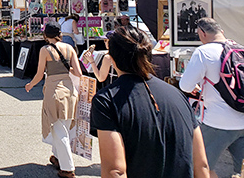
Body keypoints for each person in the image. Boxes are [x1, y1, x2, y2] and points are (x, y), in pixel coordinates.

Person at [90, 26, 209, 178]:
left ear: (112, 58)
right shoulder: (177, 95)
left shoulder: (106, 100)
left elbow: (115, 171)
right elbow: (201, 165)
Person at [180, 18, 244, 178]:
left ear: (202, 33)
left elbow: (185, 86)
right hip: (242, 119)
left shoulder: (204, 52)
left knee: (200, 166)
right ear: (221, 32)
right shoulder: (239, 49)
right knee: (239, 169)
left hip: (217, 121)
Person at [25, 22, 82, 178]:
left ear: (46, 35)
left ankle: (68, 168)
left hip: (54, 92)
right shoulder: (70, 49)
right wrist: (65, 68)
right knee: (64, 127)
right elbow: (78, 72)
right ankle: (57, 157)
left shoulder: (45, 50)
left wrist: (30, 85)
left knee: (57, 129)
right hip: (70, 92)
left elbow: (39, 74)